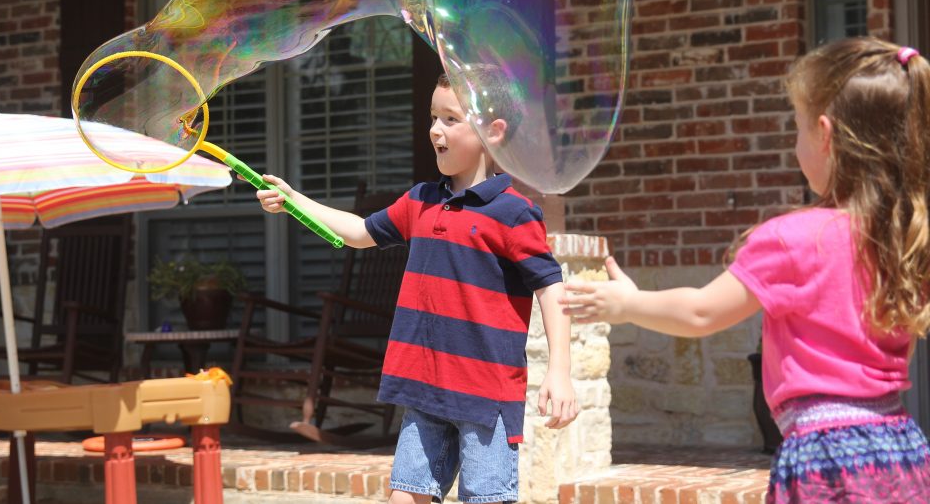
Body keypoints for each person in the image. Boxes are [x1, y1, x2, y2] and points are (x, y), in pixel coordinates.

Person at [562, 37, 930, 502]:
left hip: (826, 459)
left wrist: (628, 304)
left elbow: (701, 312)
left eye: (797, 128)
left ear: (825, 134)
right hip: (902, 449)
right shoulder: (906, 240)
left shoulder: (795, 239)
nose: (795, 143)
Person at [256, 69, 578, 504]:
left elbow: (552, 289)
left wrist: (559, 371)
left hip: (486, 397)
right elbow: (359, 232)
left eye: (450, 119)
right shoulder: (420, 200)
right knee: (404, 498)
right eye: (433, 117)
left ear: (494, 131)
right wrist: (294, 200)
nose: (434, 130)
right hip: (423, 387)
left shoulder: (513, 213)